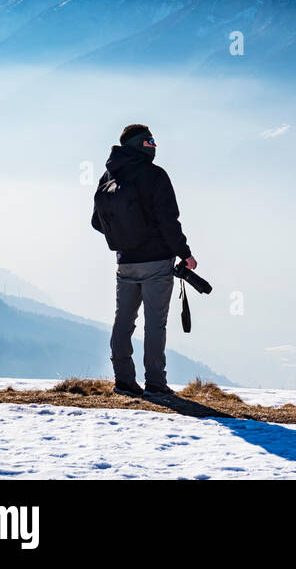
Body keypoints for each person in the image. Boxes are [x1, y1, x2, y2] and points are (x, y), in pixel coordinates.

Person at [91, 124, 197, 398]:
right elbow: (168, 222)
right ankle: (156, 383)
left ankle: (123, 380)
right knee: (155, 324)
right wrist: (185, 254)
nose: (155, 145)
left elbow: (96, 222)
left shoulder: (109, 175)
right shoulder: (155, 176)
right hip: (157, 262)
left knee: (123, 321)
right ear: (140, 144)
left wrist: (127, 236)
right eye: (150, 140)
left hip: (124, 262)